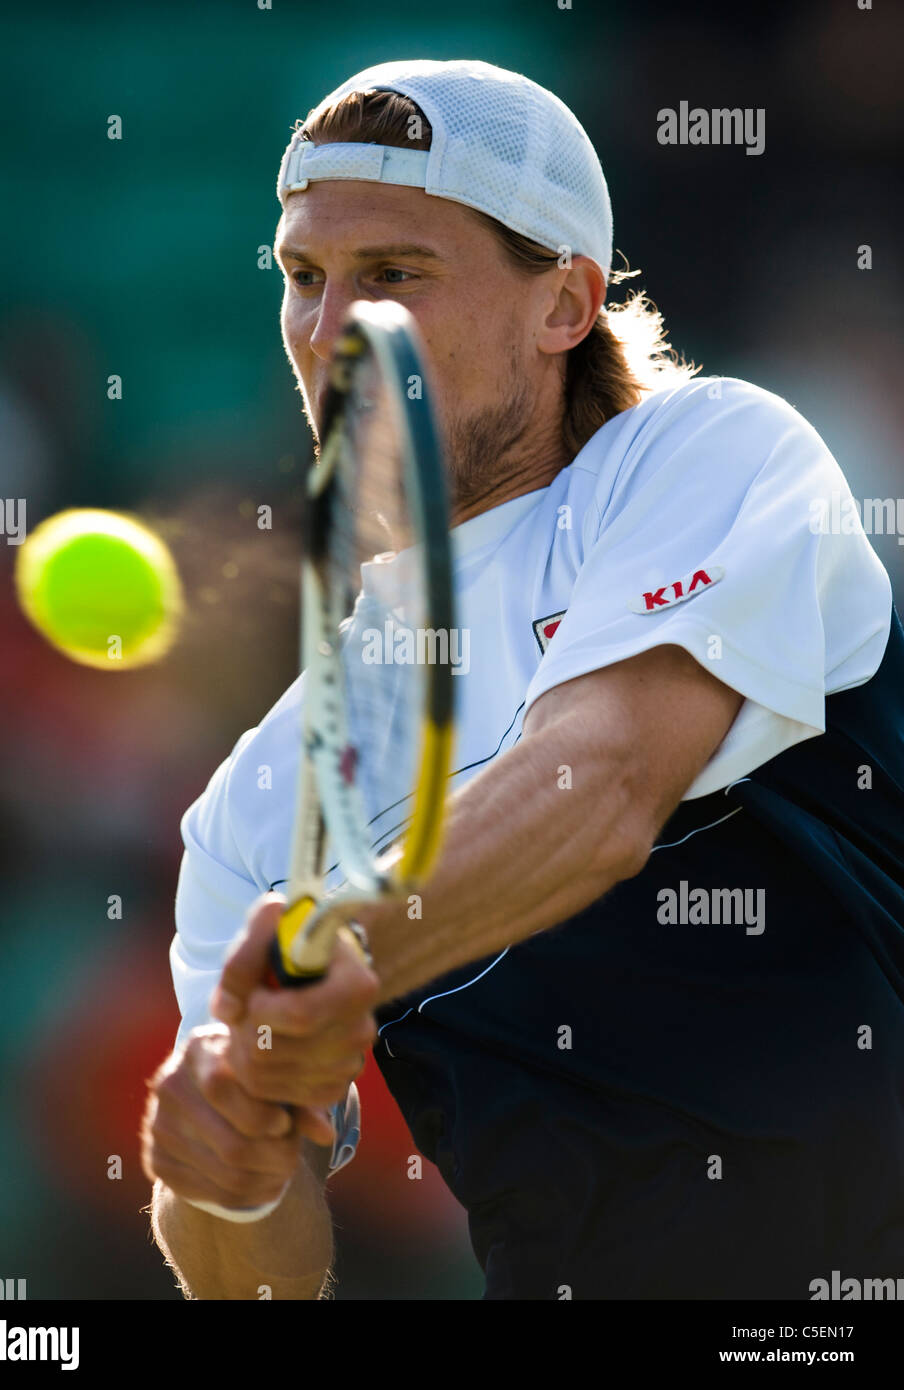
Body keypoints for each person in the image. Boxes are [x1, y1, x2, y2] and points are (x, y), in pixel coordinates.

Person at [141, 59, 904, 1300]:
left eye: (394, 275)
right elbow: (258, 1282)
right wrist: (225, 1161)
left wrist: (327, 964)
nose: (331, 329)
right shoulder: (253, 805)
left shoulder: (710, 453)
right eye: (303, 278)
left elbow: (594, 790)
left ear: (564, 304)